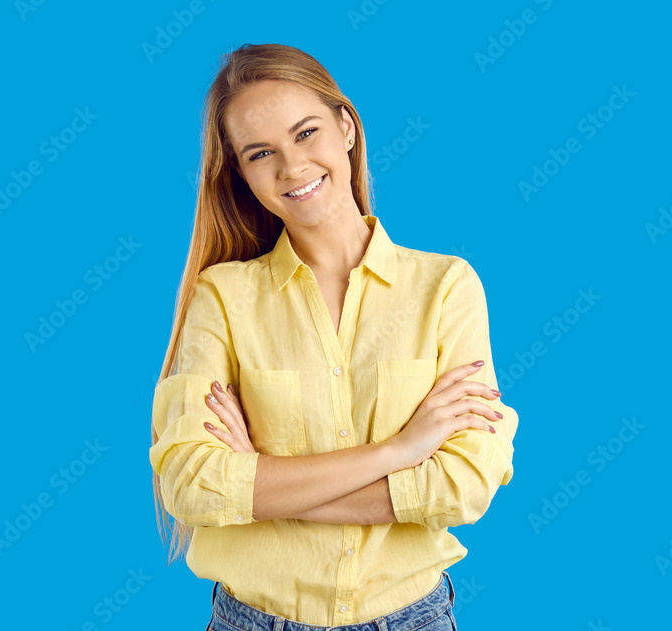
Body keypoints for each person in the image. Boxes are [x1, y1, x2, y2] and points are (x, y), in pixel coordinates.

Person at [148, 43, 519, 631]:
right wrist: (398, 452)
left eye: (306, 133)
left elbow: (463, 483)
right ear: (241, 174)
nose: (292, 167)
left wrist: (261, 483)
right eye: (260, 152)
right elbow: (193, 484)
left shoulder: (447, 288)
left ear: (346, 127)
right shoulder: (222, 297)